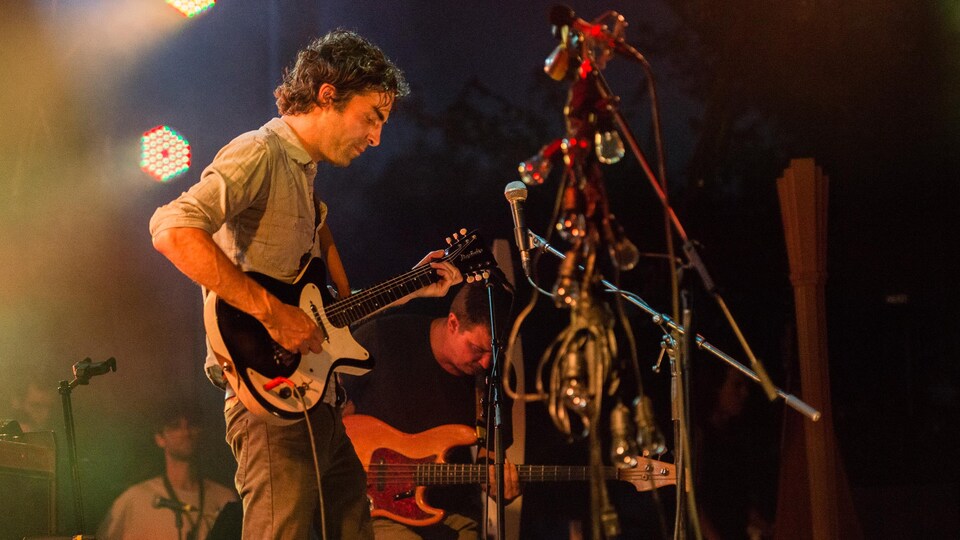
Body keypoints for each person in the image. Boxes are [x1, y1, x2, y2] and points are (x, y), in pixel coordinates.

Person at [148, 29, 462, 539]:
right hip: (269, 403)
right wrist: (273, 314)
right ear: (327, 96)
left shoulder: (306, 180)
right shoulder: (260, 152)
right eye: (372, 117)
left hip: (318, 402)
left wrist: (413, 286)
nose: (377, 137)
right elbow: (171, 229)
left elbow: (330, 314)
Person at [340, 282, 521, 539]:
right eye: (478, 349)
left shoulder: (496, 375)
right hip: (372, 507)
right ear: (453, 323)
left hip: (452, 512)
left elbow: (488, 456)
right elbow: (330, 412)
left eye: (494, 352)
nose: (486, 362)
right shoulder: (382, 337)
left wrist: (499, 485)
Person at [96, 402, 238, 540]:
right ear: (159, 438)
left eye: (192, 424)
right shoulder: (133, 501)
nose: (185, 432)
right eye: (175, 426)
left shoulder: (224, 498)